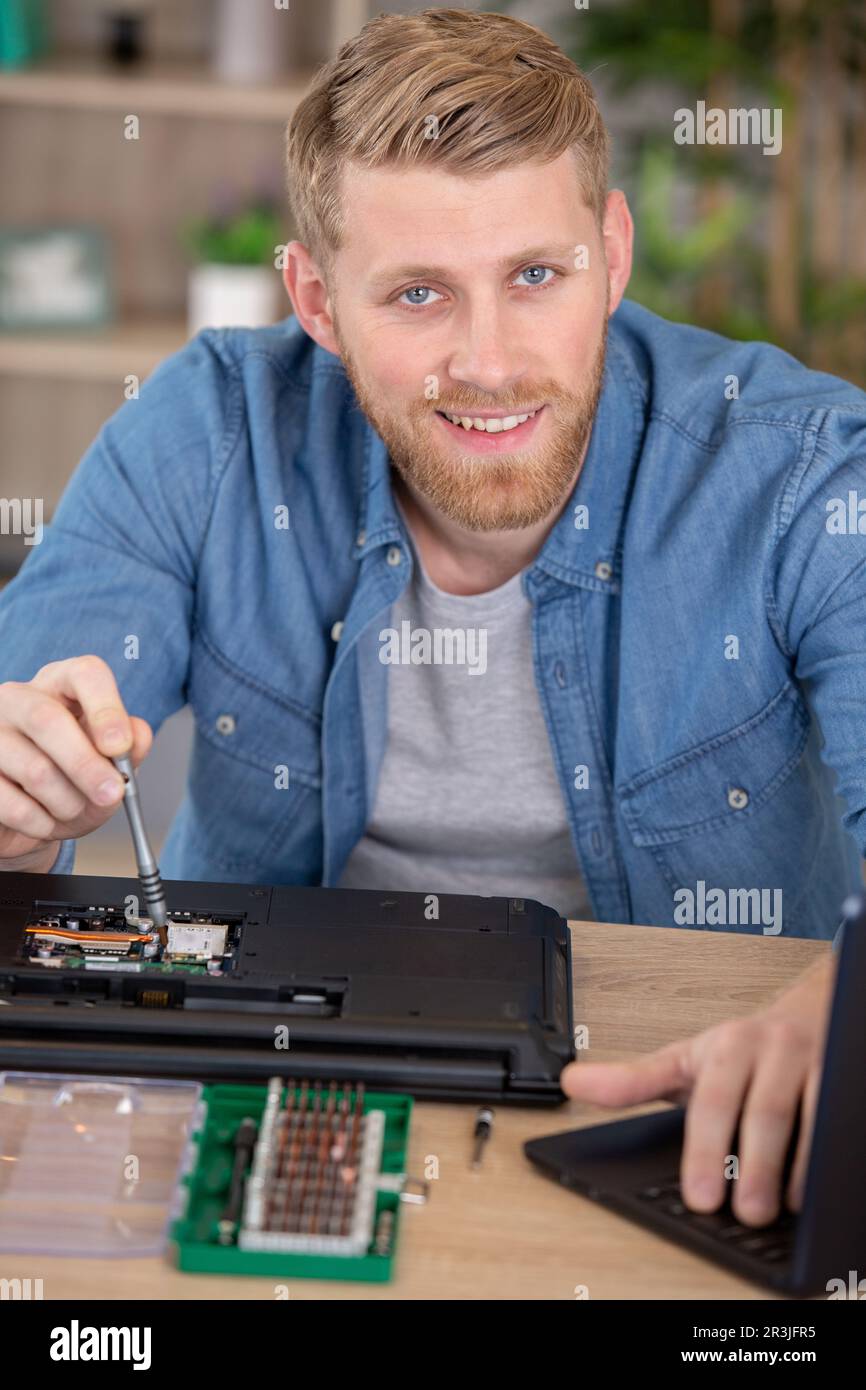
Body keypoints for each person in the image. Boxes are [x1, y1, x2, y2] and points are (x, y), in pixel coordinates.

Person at [0, 8, 861, 1230]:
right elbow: (27, 730)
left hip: (678, 1119)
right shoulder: (202, 437)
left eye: (534, 276)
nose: (490, 362)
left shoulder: (798, 474)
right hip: (267, 1095)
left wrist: (842, 1011)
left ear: (609, 252)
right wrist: (20, 805)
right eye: (415, 294)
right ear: (313, 297)